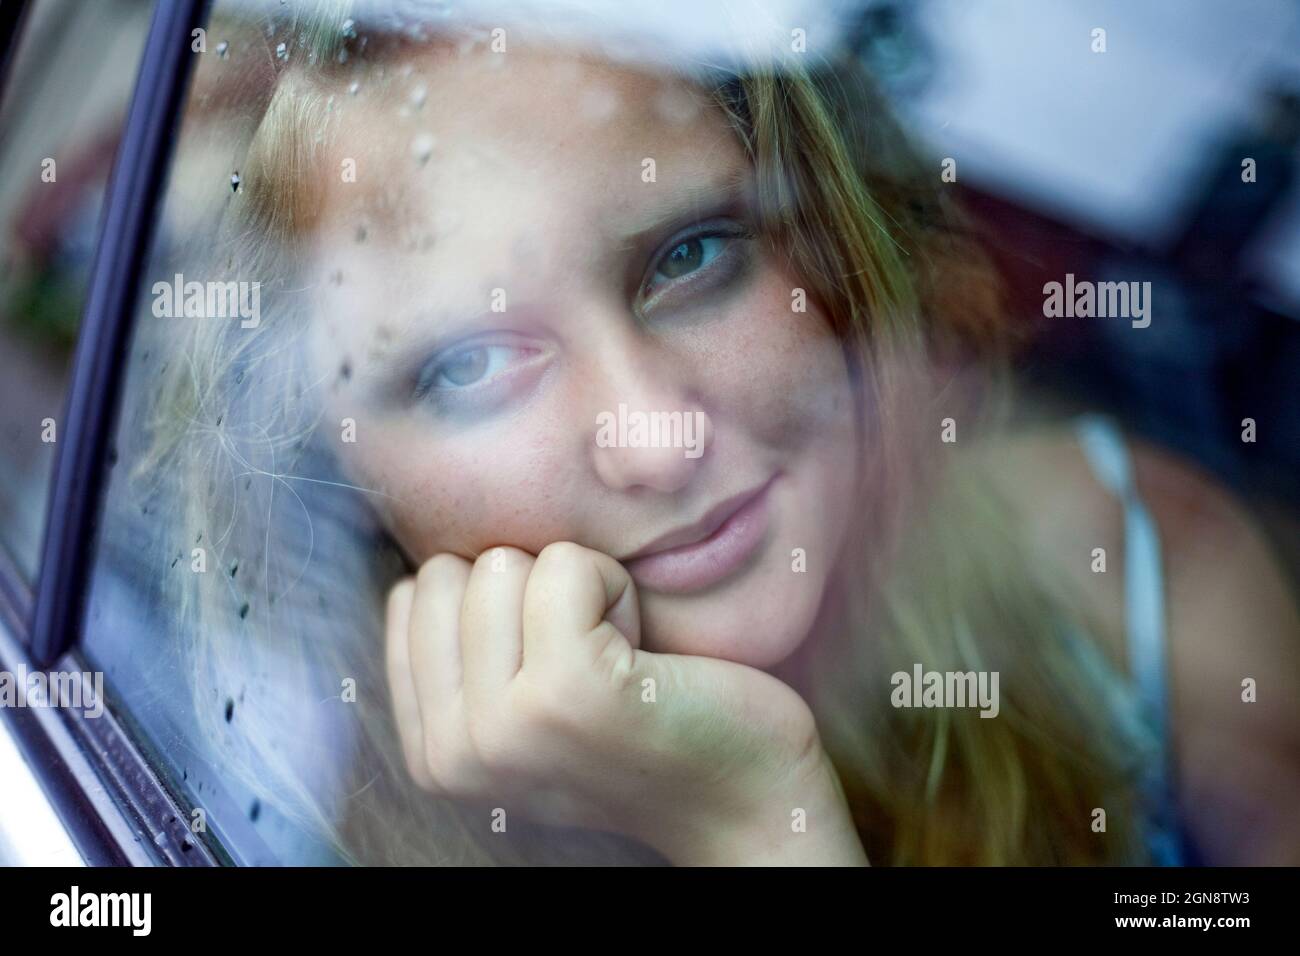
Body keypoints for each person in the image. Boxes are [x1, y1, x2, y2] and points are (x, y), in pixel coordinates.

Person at [140, 7, 1300, 865]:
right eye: (469, 364)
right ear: (341, 478)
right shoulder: (356, 829)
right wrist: (749, 823)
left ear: (818, 242)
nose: (662, 436)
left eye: (689, 256)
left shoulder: (1119, 555)